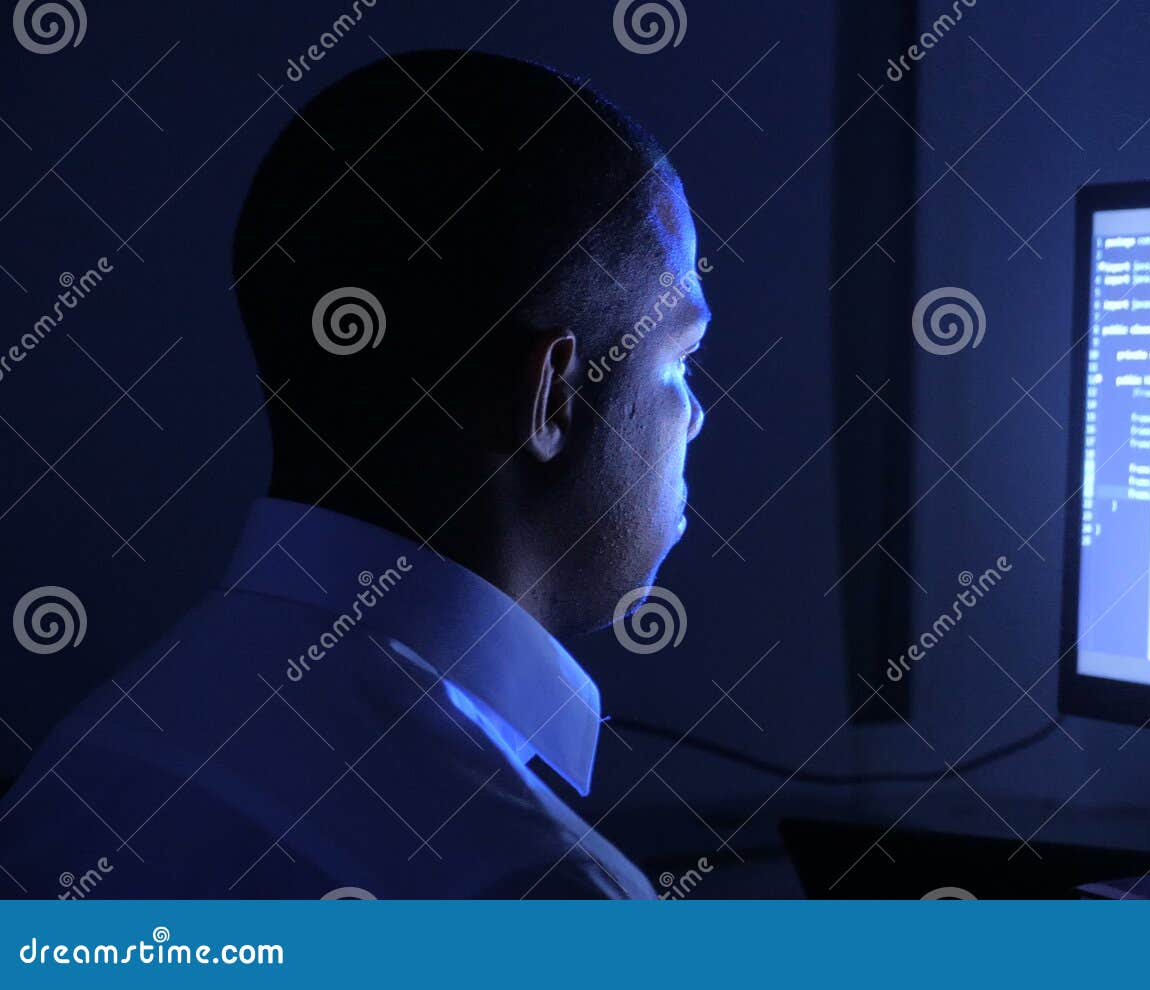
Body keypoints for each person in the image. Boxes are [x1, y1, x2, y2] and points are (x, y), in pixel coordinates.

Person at [0, 50, 708, 898]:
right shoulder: (541, 890)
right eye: (682, 360)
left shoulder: (85, 759)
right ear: (550, 398)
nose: (696, 416)